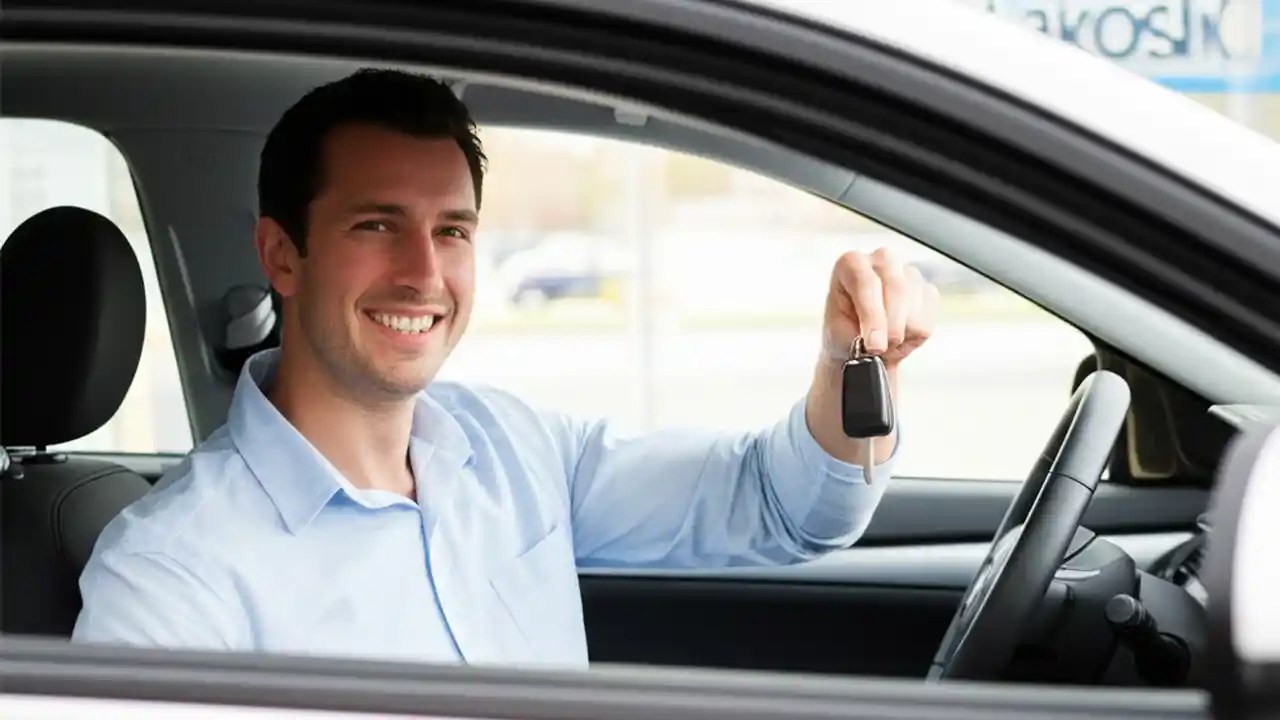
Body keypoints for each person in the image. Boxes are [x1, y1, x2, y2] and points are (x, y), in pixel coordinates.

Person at [73, 68, 938, 667]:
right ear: (283, 255)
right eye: (377, 225)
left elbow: (781, 507)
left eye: (451, 230)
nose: (423, 272)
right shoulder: (172, 571)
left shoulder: (516, 449)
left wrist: (847, 366)